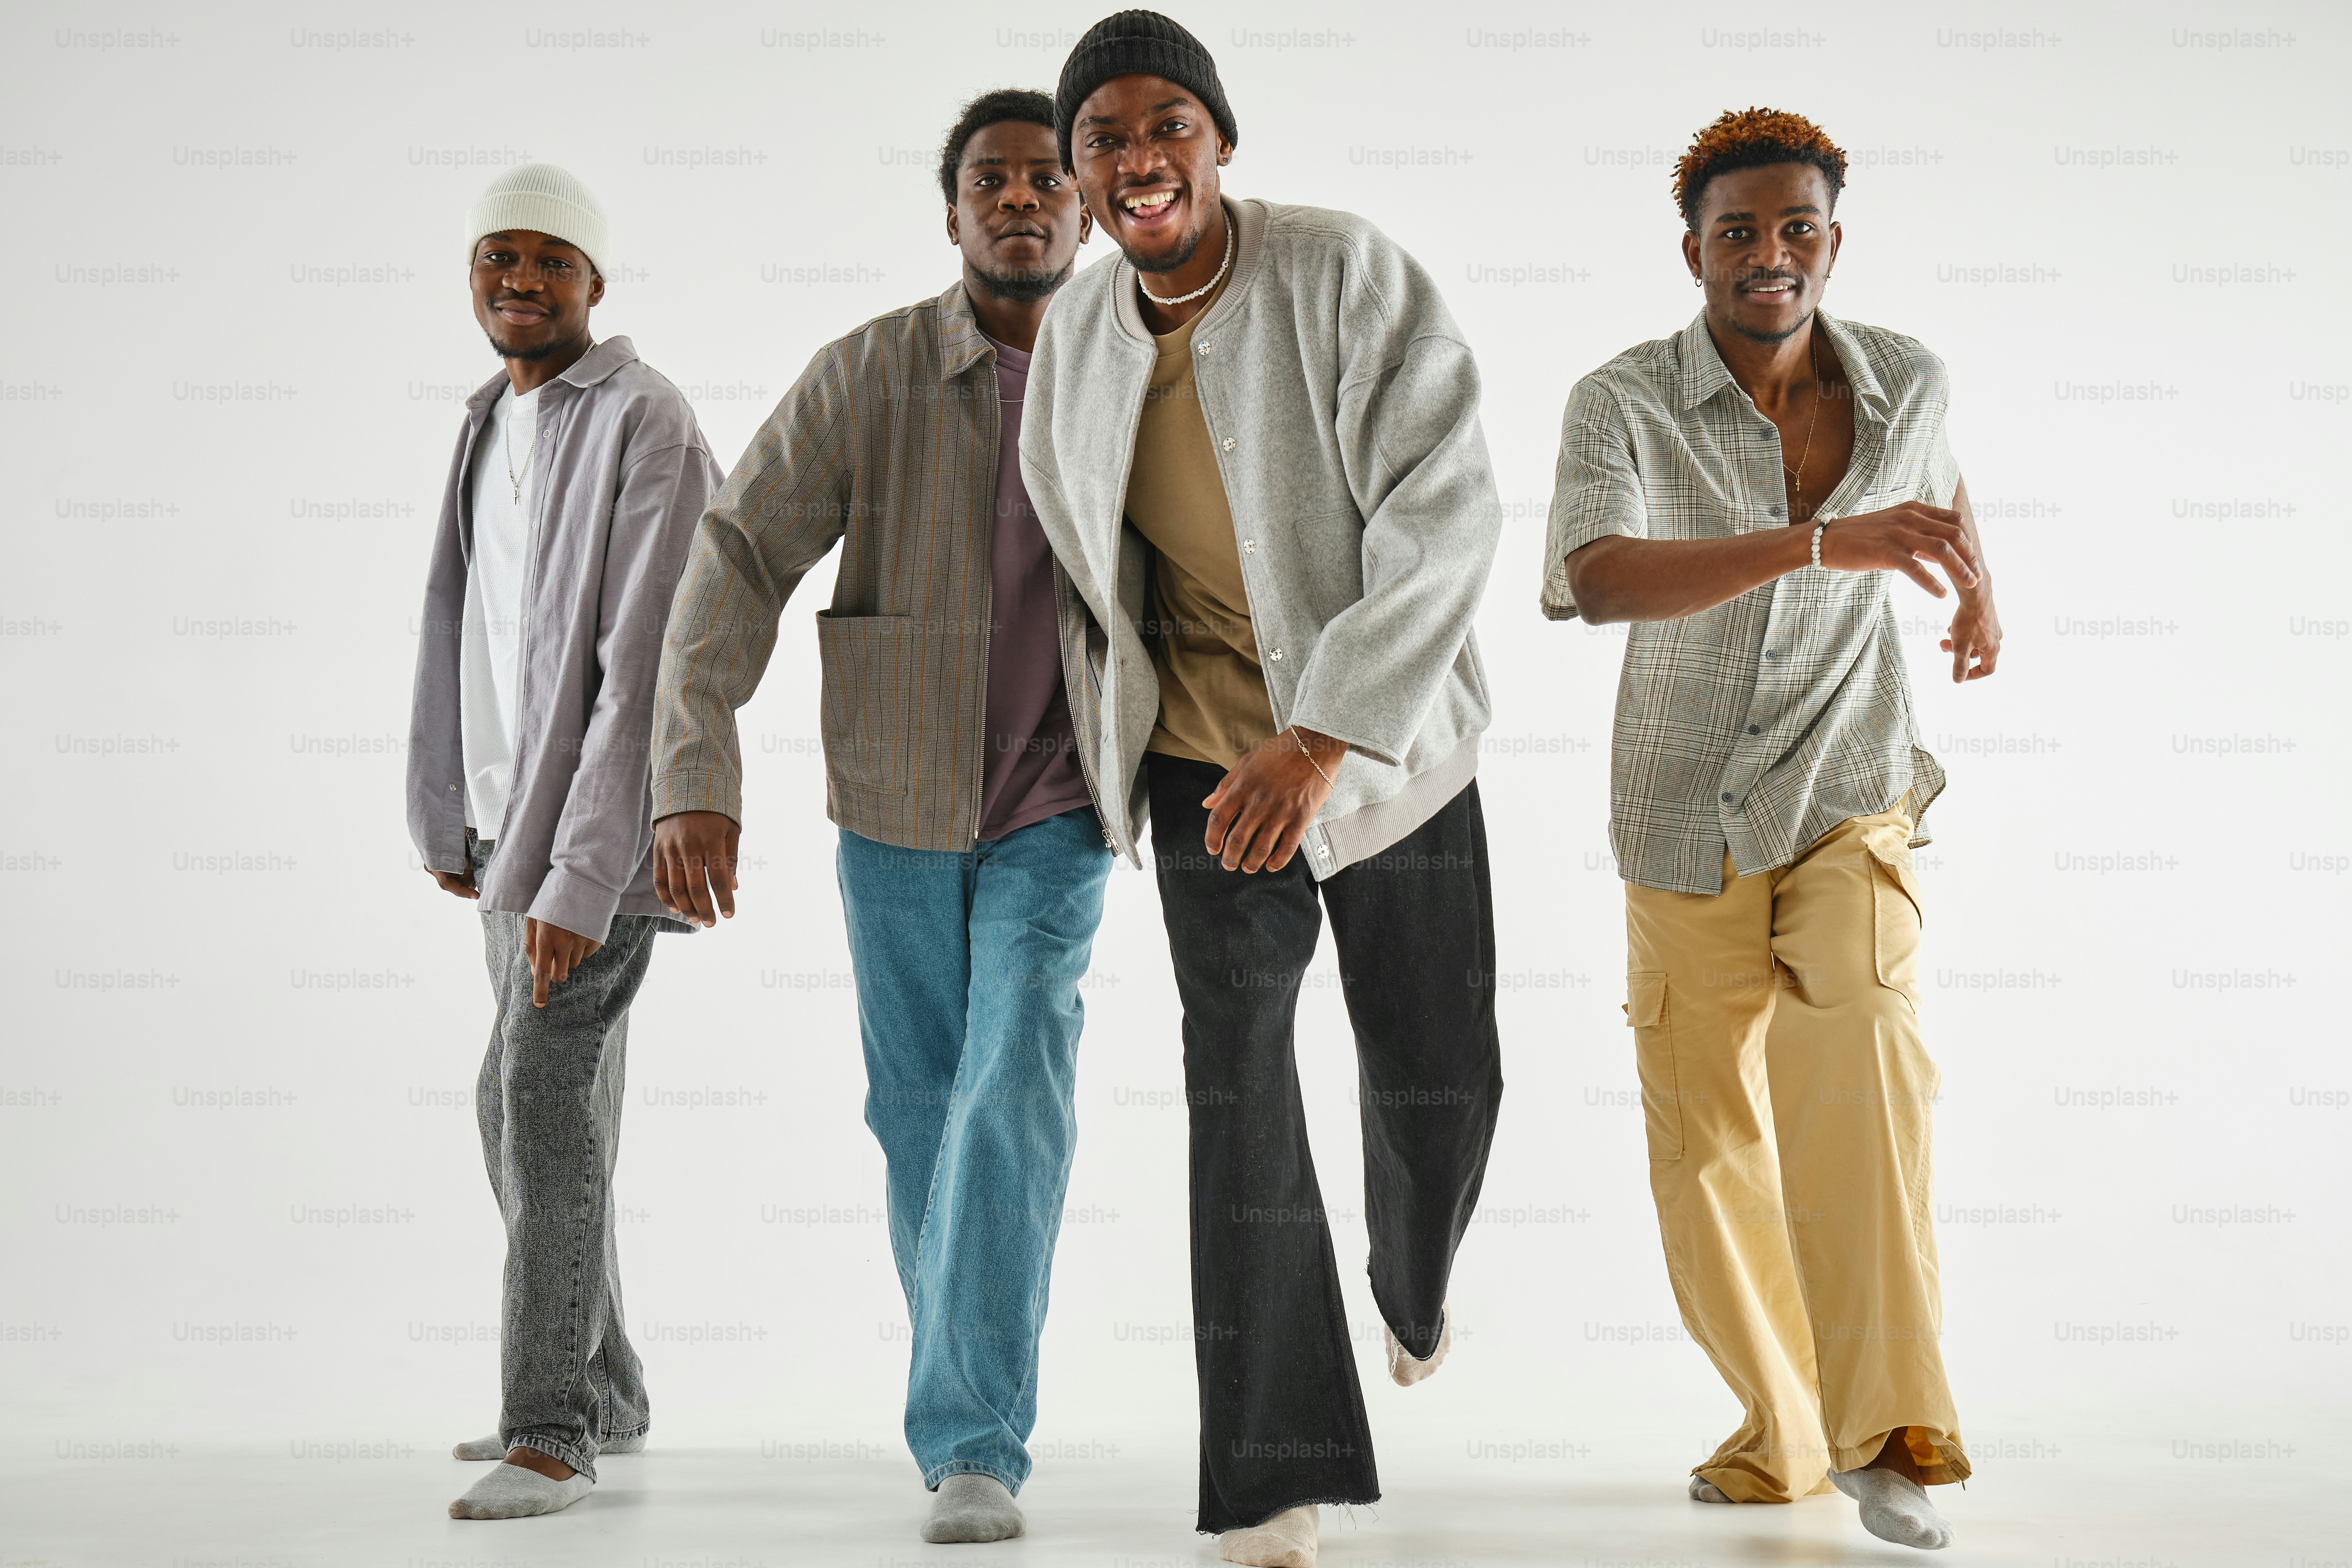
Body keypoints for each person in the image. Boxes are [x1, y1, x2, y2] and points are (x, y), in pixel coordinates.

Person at [1023, 15, 1506, 1565]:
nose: (1138, 156)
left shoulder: (1346, 273)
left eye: (1167, 123)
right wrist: (1159, 743)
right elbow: (1090, 564)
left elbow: (1449, 508)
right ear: (1083, 174)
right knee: (1237, 1076)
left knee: (1442, 1079)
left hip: (1393, 752)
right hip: (1206, 773)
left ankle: (1413, 1282)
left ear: (1221, 142)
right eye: (1105, 136)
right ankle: (1270, 1469)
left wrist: (1328, 731)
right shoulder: (1080, 344)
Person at [648, 89, 1110, 1546]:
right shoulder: (872, 373)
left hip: (1067, 798)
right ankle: (960, 1410)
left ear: (1089, 210)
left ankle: (976, 1439)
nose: (1022, 201)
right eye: (993, 182)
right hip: (898, 804)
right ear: (953, 211)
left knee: (1010, 1083)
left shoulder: (1141, 372)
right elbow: (733, 555)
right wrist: (693, 773)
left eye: (1048, 180)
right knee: (919, 1114)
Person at [1541, 107, 2006, 1552]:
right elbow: (1599, 580)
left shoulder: (1908, 374)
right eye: (1738, 232)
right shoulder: (1619, 400)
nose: (1769, 254)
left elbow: (1932, 486)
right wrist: (1819, 543)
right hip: (1680, 814)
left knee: (1866, 1046)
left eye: (1795, 226)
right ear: (1693, 251)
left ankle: (1892, 1434)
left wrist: (1979, 583)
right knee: (1709, 1144)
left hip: (1848, 781)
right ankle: (1784, 1430)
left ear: (1832, 240)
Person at [407, 163, 721, 1521]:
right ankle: (609, 1385)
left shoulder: (647, 421)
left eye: (548, 260)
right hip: (502, 830)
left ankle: (553, 1429)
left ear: (596, 282)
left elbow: (643, 662)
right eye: (496, 257)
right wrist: (449, 808)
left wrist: (586, 873)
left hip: (596, 841)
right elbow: (460, 630)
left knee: (539, 1103)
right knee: (522, 1101)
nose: (519, 281)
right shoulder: (489, 421)